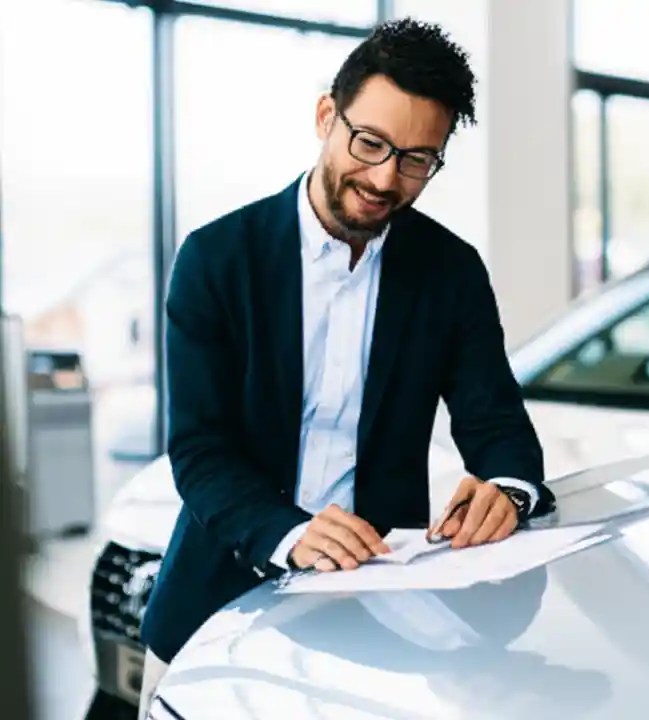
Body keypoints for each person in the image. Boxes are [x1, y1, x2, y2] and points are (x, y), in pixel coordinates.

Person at [136, 18, 553, 719]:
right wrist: (292, 533)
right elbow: (200, 451)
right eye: (371, 143)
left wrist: (508, 490)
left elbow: (498, 425)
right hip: (217, 612)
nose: (386, 178)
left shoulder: (449, 271)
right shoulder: (215, 259)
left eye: (418, 159)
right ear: (327, 115)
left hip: (377, 613)